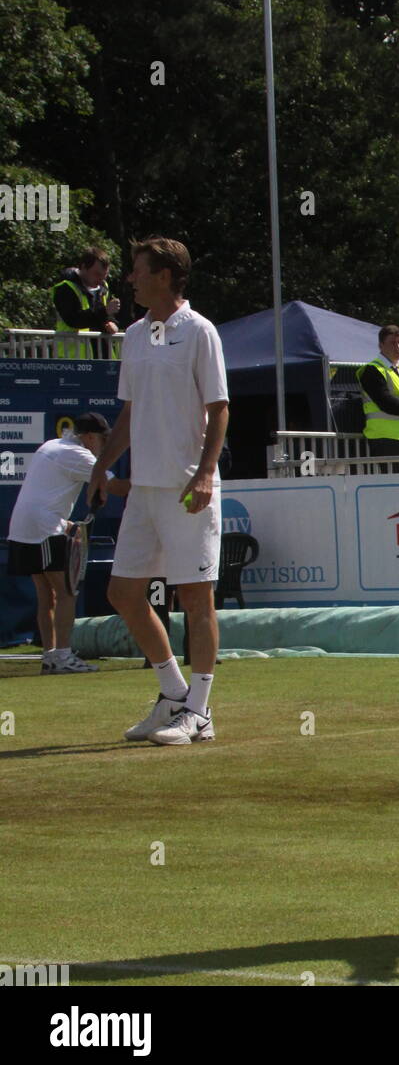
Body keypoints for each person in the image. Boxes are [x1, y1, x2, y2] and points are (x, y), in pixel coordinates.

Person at [87, 237, 229, 745]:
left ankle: (200, 712)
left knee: (196, 597)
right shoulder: (133, 335)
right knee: (122, 593)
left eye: (139, 271)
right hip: (144, 490)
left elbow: (219, 408)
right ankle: (173, 694)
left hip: (188, 486)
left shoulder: (200, 332)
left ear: (165, 276)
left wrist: (206, 472)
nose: (130, 278)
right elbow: (130, 413)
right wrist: (102, 467)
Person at [6, 414, 130, 673]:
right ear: (88, 437)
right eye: (101, 438)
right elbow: (117, 487)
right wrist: (154, 484)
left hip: (24, 527)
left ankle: (51, 657)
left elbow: (46, 492)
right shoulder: (78, 455)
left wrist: (65, 523)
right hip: (42, 529)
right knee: (66, 592)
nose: (104, 444)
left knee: (47, 595)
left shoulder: (50, 445)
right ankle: (61, 657)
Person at [357, 325, 399, 458]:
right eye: (393, 343)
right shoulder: (372, 370)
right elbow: (385, 402)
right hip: (385, 439)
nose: (398, 347)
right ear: (381, 345)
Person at [51, 246, 121, 358]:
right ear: (83, 267)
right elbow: (74, 320)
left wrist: (113, 323)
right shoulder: (65, 288)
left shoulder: (103, 287)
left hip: (101, 357)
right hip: (73, 359)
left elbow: (105, 316)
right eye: (97, 274)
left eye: (105, 275)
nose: (101, 279)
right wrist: (105, 311)